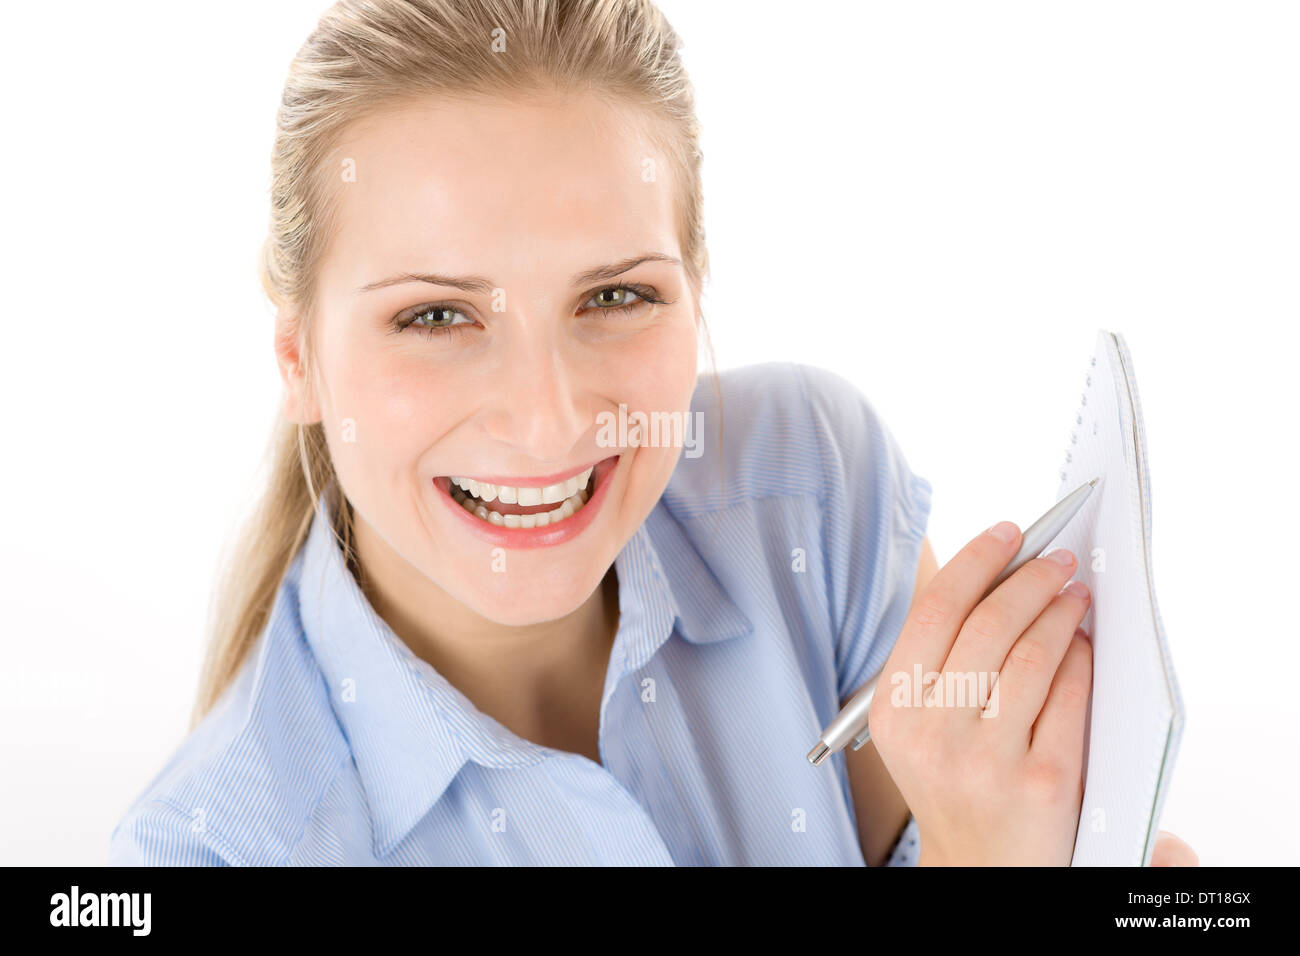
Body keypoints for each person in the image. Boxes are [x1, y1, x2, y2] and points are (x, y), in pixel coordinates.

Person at [110, 0, 1195, 866]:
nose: (547, 417)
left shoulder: (811, 490)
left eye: (616, 297)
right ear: (297, 353)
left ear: (695, 286)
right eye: (436, 315)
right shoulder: (210, 849)